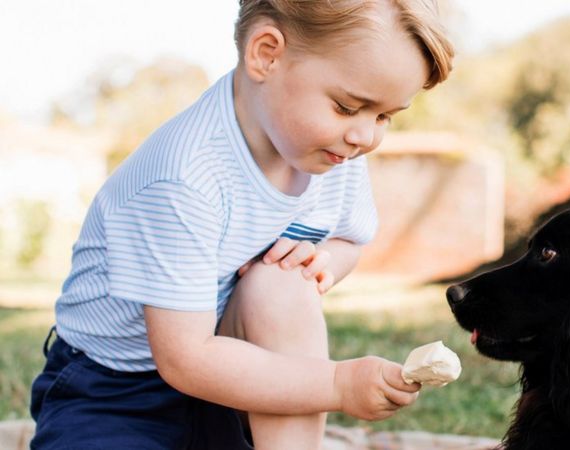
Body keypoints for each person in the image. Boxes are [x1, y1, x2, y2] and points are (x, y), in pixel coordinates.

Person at [28, 0, 455, 448]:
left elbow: (349, 238)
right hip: (116, 388)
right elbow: (185, 359)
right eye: (348, 107)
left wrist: (324, 260)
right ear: (267, 54)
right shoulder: (183, 176)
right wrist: (336, 384)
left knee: (285, 283)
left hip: (236, 369)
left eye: (384, 116)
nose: (365, 136)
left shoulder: (331, 152)